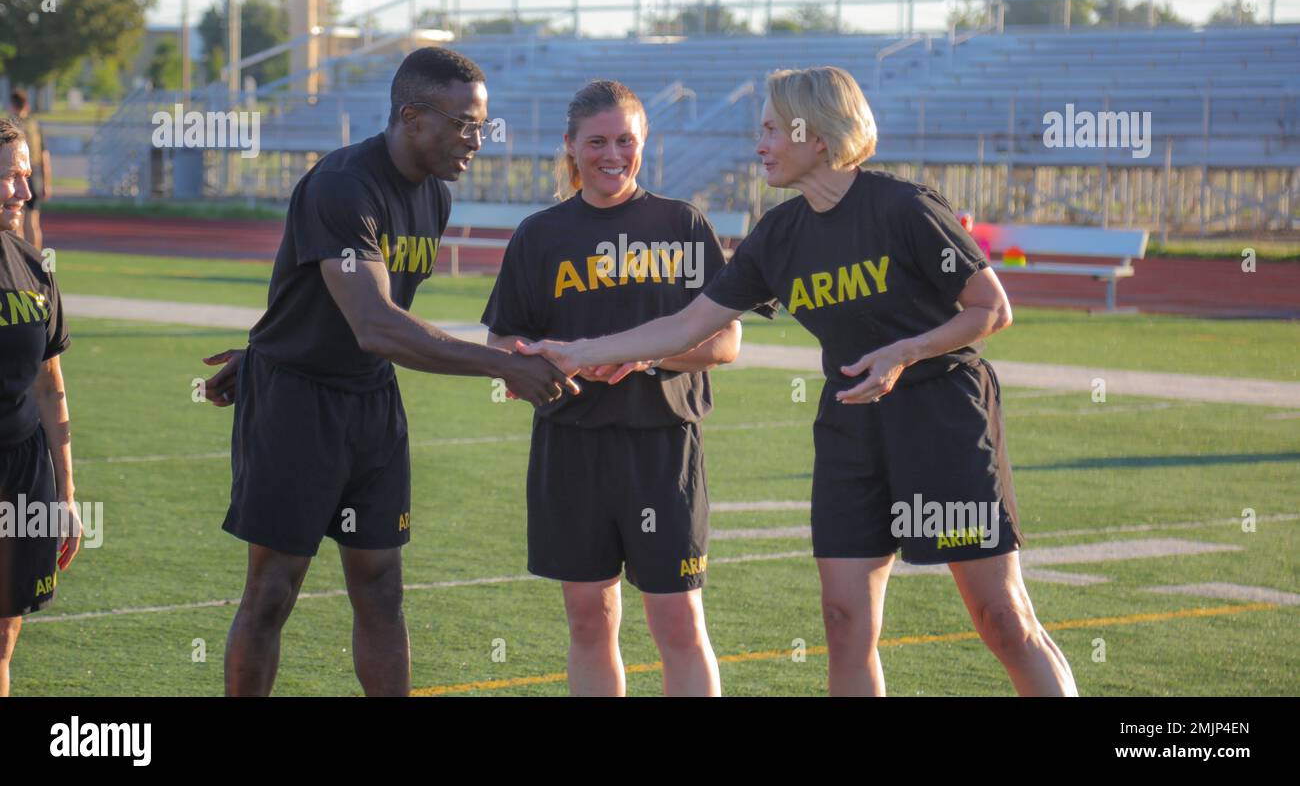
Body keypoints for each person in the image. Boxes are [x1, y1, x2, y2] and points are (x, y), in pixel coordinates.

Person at [521, 67, 1078, 696]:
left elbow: (991, 308)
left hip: (942, 418)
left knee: (1001, 618)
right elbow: (688, 326)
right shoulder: (778, 235)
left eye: (768, 130)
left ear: (815, 134)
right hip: (850, 426)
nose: (758, 145)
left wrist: (905, 351)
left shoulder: (905, 208)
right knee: (843, 623)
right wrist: (580, 352)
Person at [199, 47, 577, 697]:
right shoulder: (342, 184)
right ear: (411, 116)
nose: (477, 141)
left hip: (369, 401)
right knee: (271, 592)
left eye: (482, 125)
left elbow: (362, 318)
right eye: (464, 124)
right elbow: (375, 322)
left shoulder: (437, 196)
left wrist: (268, 346)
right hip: (298, 405)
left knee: (381, 589)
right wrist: (506, 367)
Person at [481, 80, 754, 697]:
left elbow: (726, 342)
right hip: (571, 449)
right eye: (597, 141)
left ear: (643, 143)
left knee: (678, 621)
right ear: (571, 147)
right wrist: (547, 364)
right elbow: (502, 349)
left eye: (625, 140)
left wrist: (643, 358)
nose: (612, 154)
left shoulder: (680, 224)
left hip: (662, 450)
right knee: (589, 619)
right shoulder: (540, 235)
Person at [0, 118, 81, 696]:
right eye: (10, 178)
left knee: (3, 635)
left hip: (24, 471)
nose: (25, 192)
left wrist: (68, 498)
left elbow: (50, 387)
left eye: (25, 176)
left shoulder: (34, 268)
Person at [9, 92, 50, 252]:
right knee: (33, 222)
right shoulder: (35, 125)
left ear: (12, 105)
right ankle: (36, 259)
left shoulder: (10, 125)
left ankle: (18, 258)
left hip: (17, 176)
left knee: (16, 219)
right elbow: (44, 156)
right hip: (35, 175)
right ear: (26, 105)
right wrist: (46, 183)